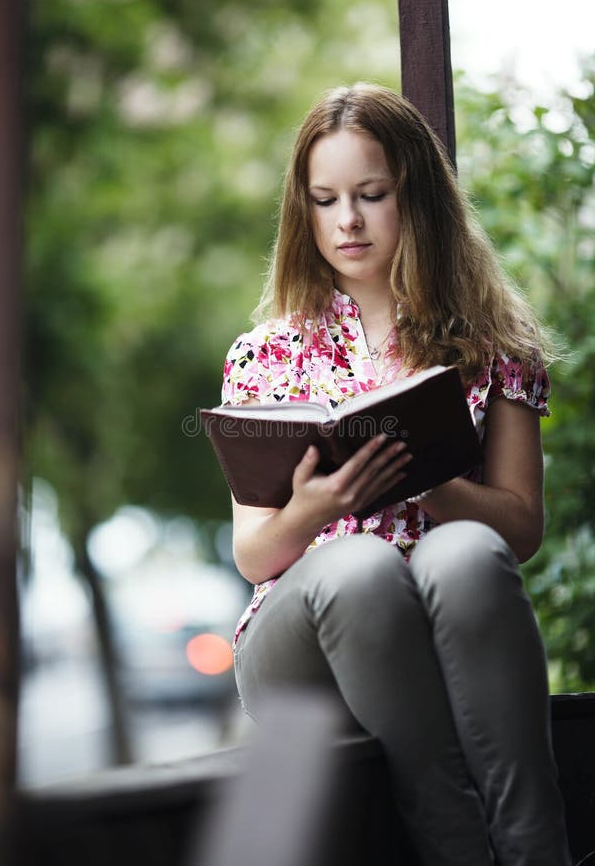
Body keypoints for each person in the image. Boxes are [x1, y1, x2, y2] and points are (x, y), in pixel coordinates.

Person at [219, 83, 572, 865]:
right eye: (325, 199)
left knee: (466, 550)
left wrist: (425, 481)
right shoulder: (266, 354)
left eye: (371, 195)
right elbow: (254, 557)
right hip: (301, 641)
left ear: (415, 199)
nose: (347, 220)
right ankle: (455, 842)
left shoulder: (494, 345)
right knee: (359, 564)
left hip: (443, 623)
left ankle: (533, 843)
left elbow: (520, 530)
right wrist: (317, 507)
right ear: (302, 212)